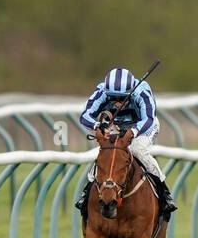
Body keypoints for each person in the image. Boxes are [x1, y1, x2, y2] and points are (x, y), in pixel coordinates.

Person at [74, 66, 177, 217]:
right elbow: (85, 116)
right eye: (112, 97)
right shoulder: (101, 91)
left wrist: (133, 132)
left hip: (142, 126)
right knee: (107, 153)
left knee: (137, 150)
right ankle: (87, 191)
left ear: (130, 92)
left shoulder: (141, 91)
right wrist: (98, 126)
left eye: (121, 98)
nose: (116, 102)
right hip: (116, 125)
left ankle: (164, 192)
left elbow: (149, 118)